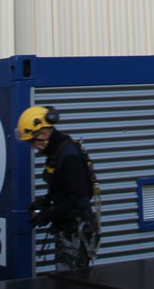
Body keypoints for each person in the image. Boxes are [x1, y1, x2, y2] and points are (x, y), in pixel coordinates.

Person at [15, 105, 99, 270]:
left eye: (33, 141)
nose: (32, 146)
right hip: (67, 229)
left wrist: (46, 215)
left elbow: (77, 201)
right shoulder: (57, 153)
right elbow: (61, 189)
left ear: (44, 133)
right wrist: (45, 202)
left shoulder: (68, 156)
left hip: (75, 232)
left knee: (72, 285)